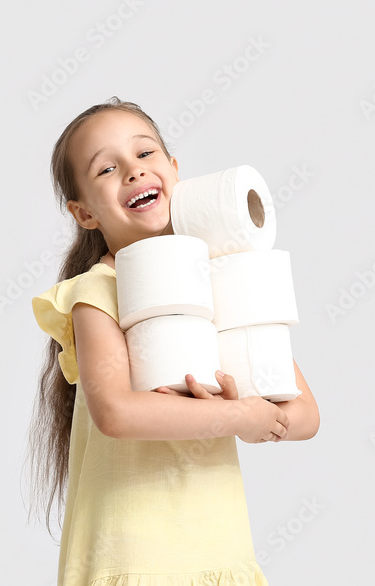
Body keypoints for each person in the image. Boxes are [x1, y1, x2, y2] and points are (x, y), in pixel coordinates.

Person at [23, 96, 320, 585]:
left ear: (174, 170)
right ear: (84, 213)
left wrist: (261, 420)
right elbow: (116, 413)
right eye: (106, 169)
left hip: (217, 546)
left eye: (145, 153)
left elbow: (304, 412)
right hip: (134, 554)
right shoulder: (98, 292)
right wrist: (236, 416)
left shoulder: (221, 279)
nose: (134, 171)